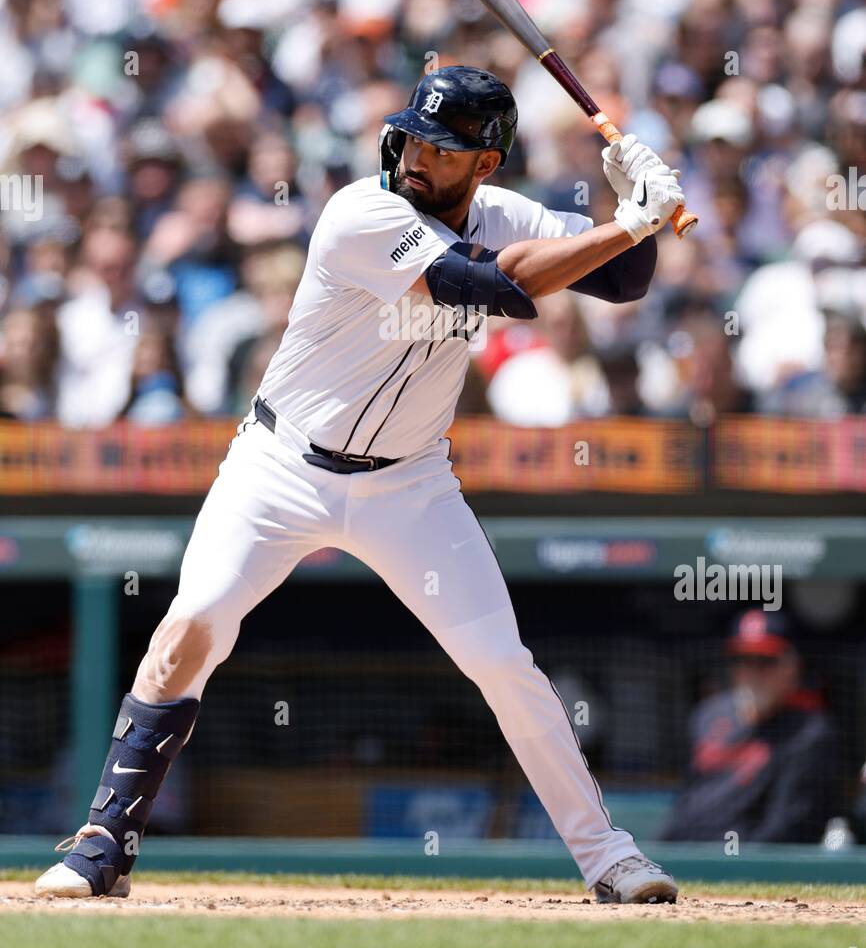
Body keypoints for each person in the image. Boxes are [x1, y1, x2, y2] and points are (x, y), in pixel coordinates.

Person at [36, 66, 684, 905]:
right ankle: (102, 846)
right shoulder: (358, 211)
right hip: (279, 466)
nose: (417, 152)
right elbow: (484, 286)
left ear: (485, 165)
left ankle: (610, 859)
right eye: (414, 133)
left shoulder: (509, 213)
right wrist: (627, 223)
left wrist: (640, 222)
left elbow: (624, 283)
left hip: (411, 485)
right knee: (193, 623)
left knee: (501, 663)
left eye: (443, 146)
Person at [661, 609, 842, 844]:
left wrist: (733, 863)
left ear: (792, 666)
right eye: (742, 659)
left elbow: (787, 828)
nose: (752, 672)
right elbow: (686, 802)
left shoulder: (810, 734)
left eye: (766, 661)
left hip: (736, 859)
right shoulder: (709, 714)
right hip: (681, 848)